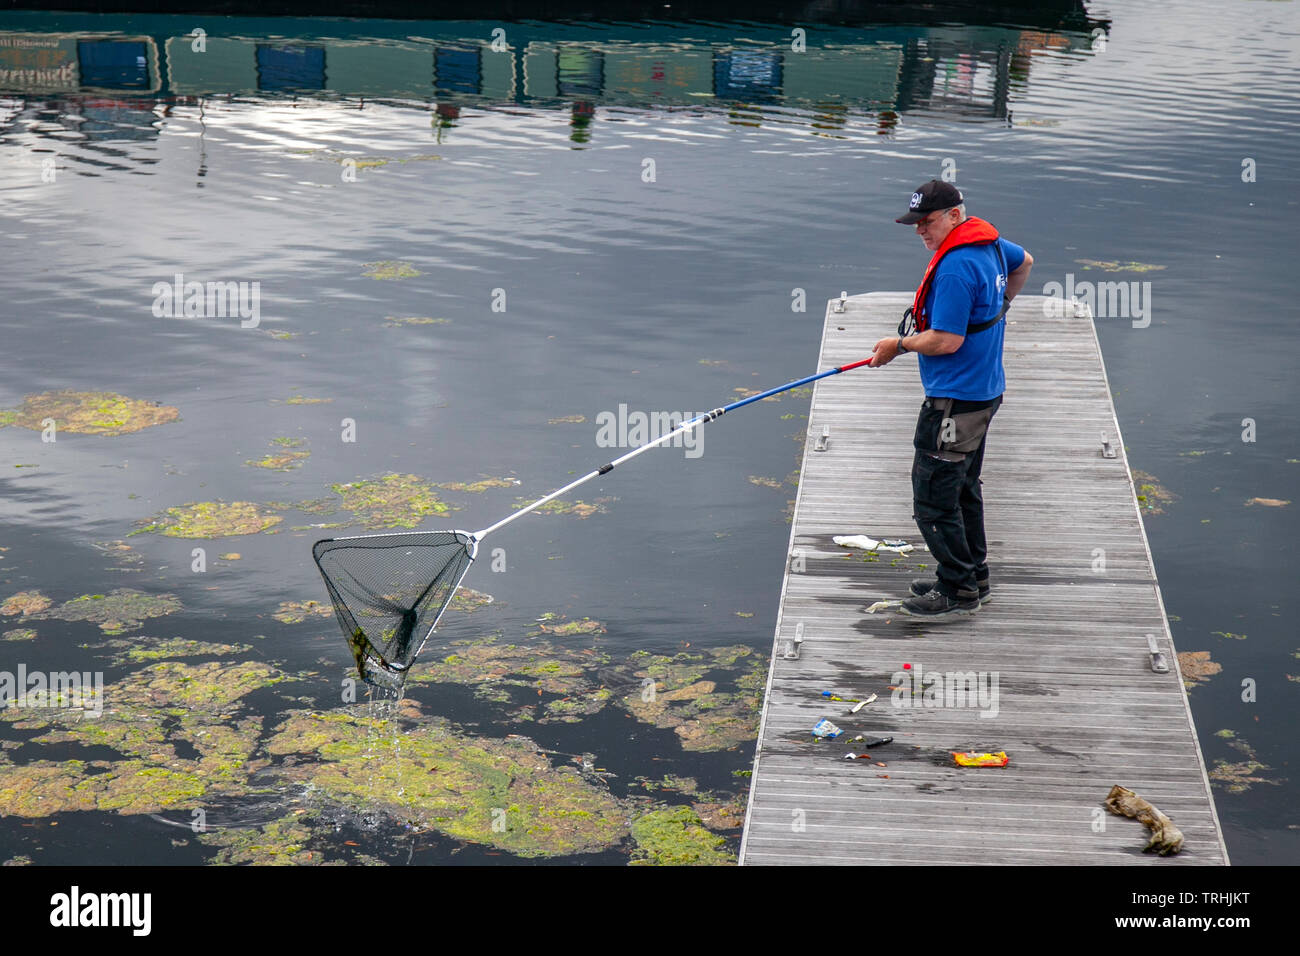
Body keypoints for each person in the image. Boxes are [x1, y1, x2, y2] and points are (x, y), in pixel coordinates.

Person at [868, 180, 1034, 617]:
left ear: (955, 216)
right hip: (986, 392)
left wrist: (897, 346)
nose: (920, 231)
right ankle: (972, 575)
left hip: (954, 402)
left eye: (927, 222)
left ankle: (957, 589)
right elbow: (1026, 262)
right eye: (915, 224)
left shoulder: (957, 267)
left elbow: (945, 341)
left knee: (933, 500)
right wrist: (998, 310)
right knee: (963, 490)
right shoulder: (992, 244)